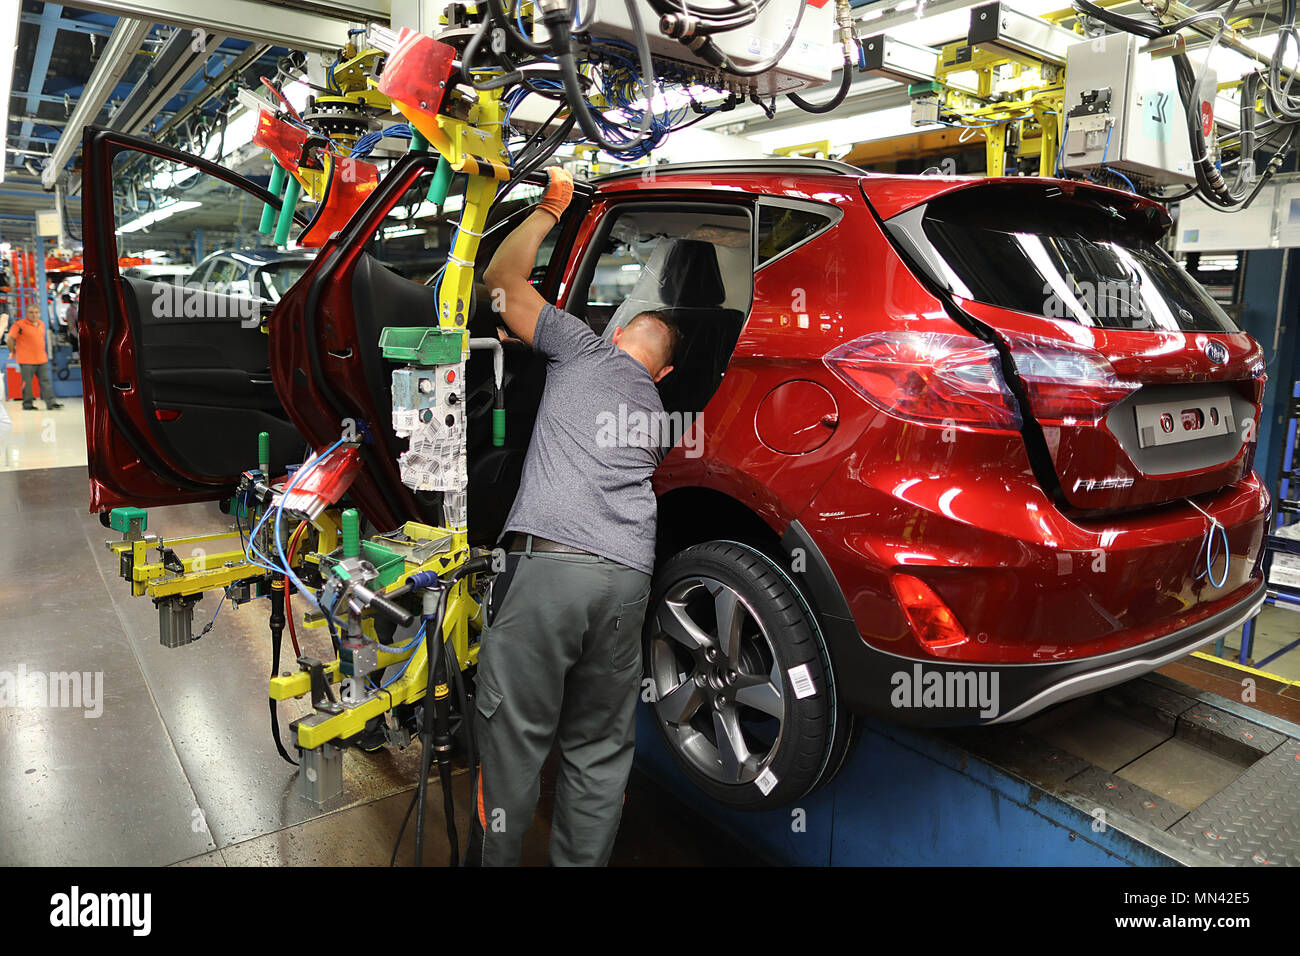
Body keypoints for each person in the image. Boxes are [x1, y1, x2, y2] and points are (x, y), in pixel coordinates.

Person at [466, 167, 679, 866]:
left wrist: (550, 210)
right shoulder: (662, 416)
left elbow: (499, 281)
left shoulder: (582, 349)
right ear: (666, 375)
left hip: (550, 570)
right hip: (626, 585)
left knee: (515, 738)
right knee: (598, 750)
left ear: (612, 333)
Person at [10, 305, 63, 410]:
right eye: (31, 312)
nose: (34, 314)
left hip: (41, 359)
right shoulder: (19, 325)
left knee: (46, 382)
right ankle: (27, 405)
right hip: (26, 360)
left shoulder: (41, 324)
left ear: (39, 313)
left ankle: (51, 403)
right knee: (27, 384)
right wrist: (13, 352)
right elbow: (10, 339)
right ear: (26, 313)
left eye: (36, 312)